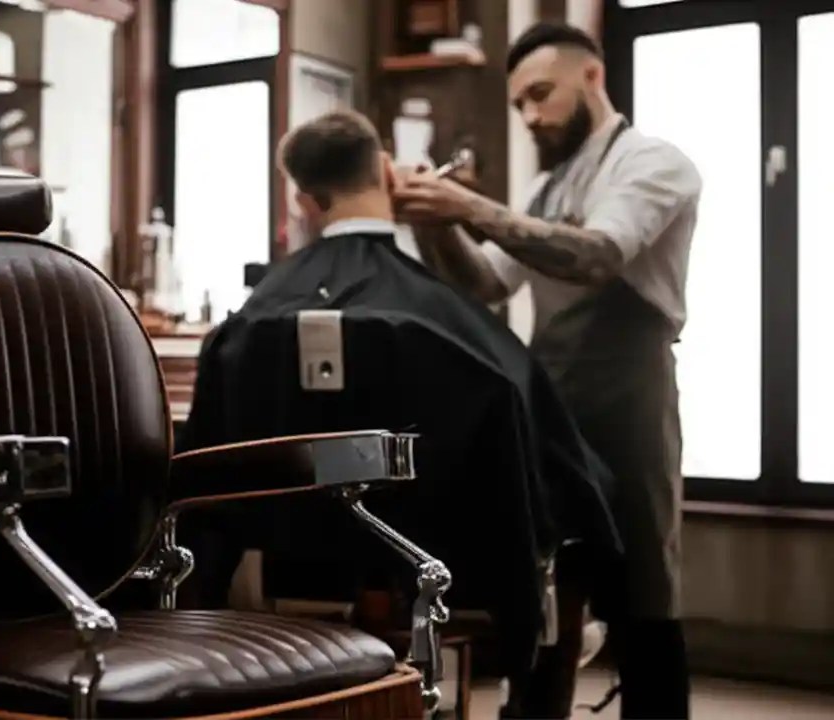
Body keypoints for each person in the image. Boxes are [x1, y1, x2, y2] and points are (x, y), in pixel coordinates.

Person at [177, 108, 625, 699]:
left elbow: (206, 465)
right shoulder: (443, 322)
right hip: (450, 540)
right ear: (388, 173)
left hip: (291, 537)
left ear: (303, 201)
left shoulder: (245, 329)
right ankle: (537, 673)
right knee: (582, 487)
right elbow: (538, 441)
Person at [395, 21, 701, 719]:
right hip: (554, 401)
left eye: (541, 94)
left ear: (592, 76)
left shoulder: (653, 162)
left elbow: (596, 255)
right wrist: (435, 224)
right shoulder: (544, 184)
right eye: (521, 104)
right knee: (549, 593)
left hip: (633, 401)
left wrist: (470, 205)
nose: (531, 115)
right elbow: (484, 286)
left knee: (642, 593)